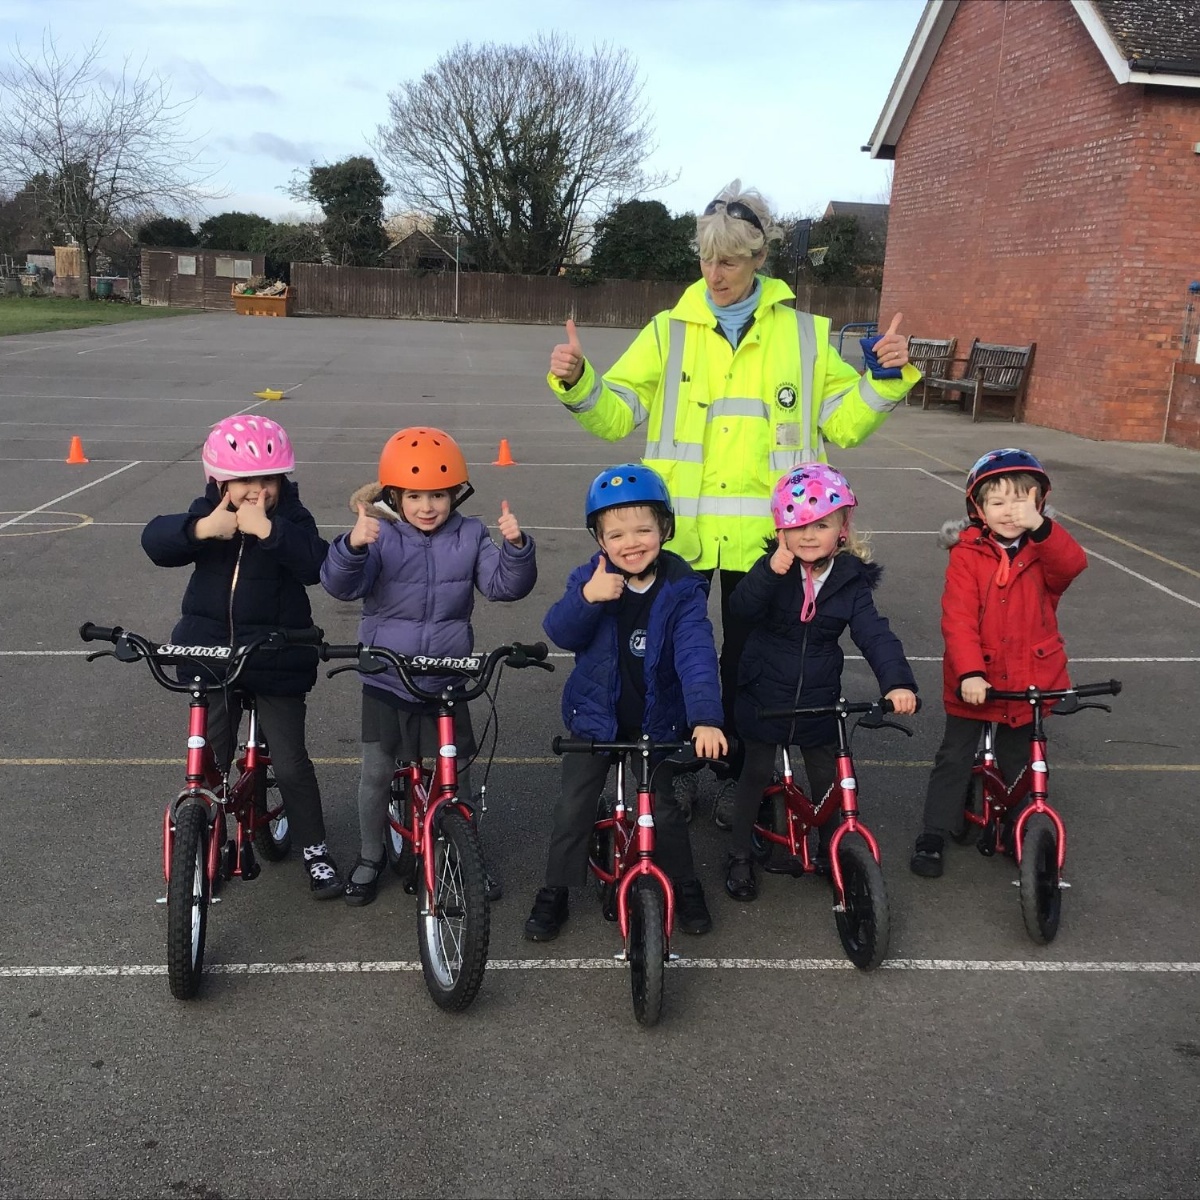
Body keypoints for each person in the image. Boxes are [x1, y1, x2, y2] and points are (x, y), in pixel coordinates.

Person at [547, 179, 920, 828]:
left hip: (766, 540)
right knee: (662, 656)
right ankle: (669, 766)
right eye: (705, 257)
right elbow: (617, 416)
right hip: (680, 536)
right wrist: (580, 383)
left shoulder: (806, 337)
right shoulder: (668, 332)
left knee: (749, 663)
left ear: (758, 259)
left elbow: (848, 423)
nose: (713, 273)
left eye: (729, 260)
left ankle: (737, 770)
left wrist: (883, 378)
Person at [320, 426, 537, 906]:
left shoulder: (470, 534)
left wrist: (516, 550)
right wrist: (352, 547)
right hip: (387, 674)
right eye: (414, 495)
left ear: (455, 494)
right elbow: (340, 586)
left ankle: (462, 854)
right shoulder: (377, 532)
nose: (426, 506)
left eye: (438, 495)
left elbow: (504, 587)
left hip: (445, 676)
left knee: (449, 774)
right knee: (377, 772)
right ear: (393, 494)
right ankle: (371, 855)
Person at [524, 464, 728, 942]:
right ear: (599, 539)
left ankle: (685, 882)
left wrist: (705, 719)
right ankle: (556, 888)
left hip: (655, 724)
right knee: (573, 808)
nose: (631, 542)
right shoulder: (589, 578)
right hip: (594, 721)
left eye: (643, 529)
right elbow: (559, 631)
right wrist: (589, 599)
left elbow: (697, 654)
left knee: (662, 810)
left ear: (665, 529)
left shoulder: (683, 588)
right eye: (616, 533)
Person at [141, 414, 340, 897]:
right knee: (212, 757)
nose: (256, 491)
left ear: (283, 480)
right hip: (211, 656)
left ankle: (314, 848)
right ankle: (203, 838)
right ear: (217, 481)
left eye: (267, 479)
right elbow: (156, 541)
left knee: (290, 763)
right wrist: (201, 529)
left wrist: (270, 531)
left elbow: (318, 564)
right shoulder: (207, 512)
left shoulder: (291, 517)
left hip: (277, 655)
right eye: (242, 480)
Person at [723, 464, 918, 898]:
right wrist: (770, 571)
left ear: (842, 530)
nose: (809, 536)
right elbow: (741, 610)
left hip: (819, 696)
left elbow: (874, 633)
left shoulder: (850, 582)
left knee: (827, 778)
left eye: (821, 525)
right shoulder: (772, 569)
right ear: (781, 531)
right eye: (798, 526)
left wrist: (897, 682)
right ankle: (739, 853)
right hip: (764, 692)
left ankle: (834, 851)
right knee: (754, 771)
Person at [910, 448, 1088, 878]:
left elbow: (1073, 564)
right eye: (998, 502)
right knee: (955, 755)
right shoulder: (967, 554)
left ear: (1038, 504)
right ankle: (933, 832)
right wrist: (970, 671)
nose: (1010, 511)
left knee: (1021, 759)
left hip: (1031, 678)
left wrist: (1042, 529)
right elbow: (958, 619)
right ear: (978, 509)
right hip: (977, 679)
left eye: (1021, 501)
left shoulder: (1045, 552)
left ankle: (1017, 824)